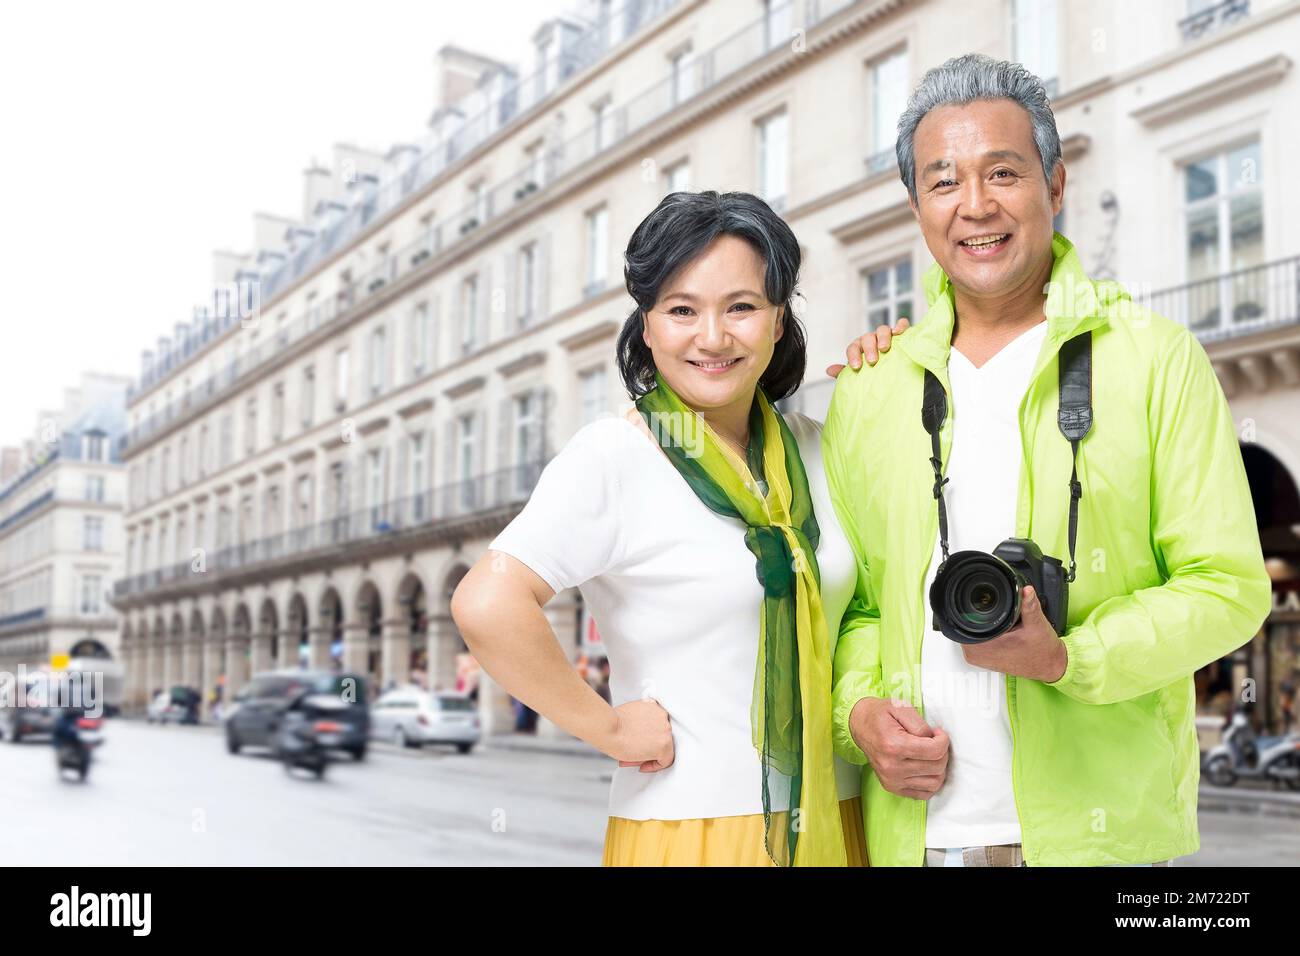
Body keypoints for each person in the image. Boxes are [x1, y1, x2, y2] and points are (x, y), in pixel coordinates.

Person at [823, 53, 1271, 867]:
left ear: (1055, 187)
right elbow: (854, 613)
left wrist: (1071, 657)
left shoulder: (1156, 359)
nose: (975, 206)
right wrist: (858, 716)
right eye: (944, 181)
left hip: (1102, 846)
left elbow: (1228, 586)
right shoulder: (867, 390)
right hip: (916, 839)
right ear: (916, 206)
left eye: (1003, 172)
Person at [451, 190, 903, 866]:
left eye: (742, 307)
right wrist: (608, 727)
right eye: (682, 310)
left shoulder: (819, 446)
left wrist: (894, 371)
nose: (713, 337)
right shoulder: (615, 455)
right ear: (649, 325)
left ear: (779, 321)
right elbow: (486, 603)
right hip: (690, 828)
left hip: (838, 820)